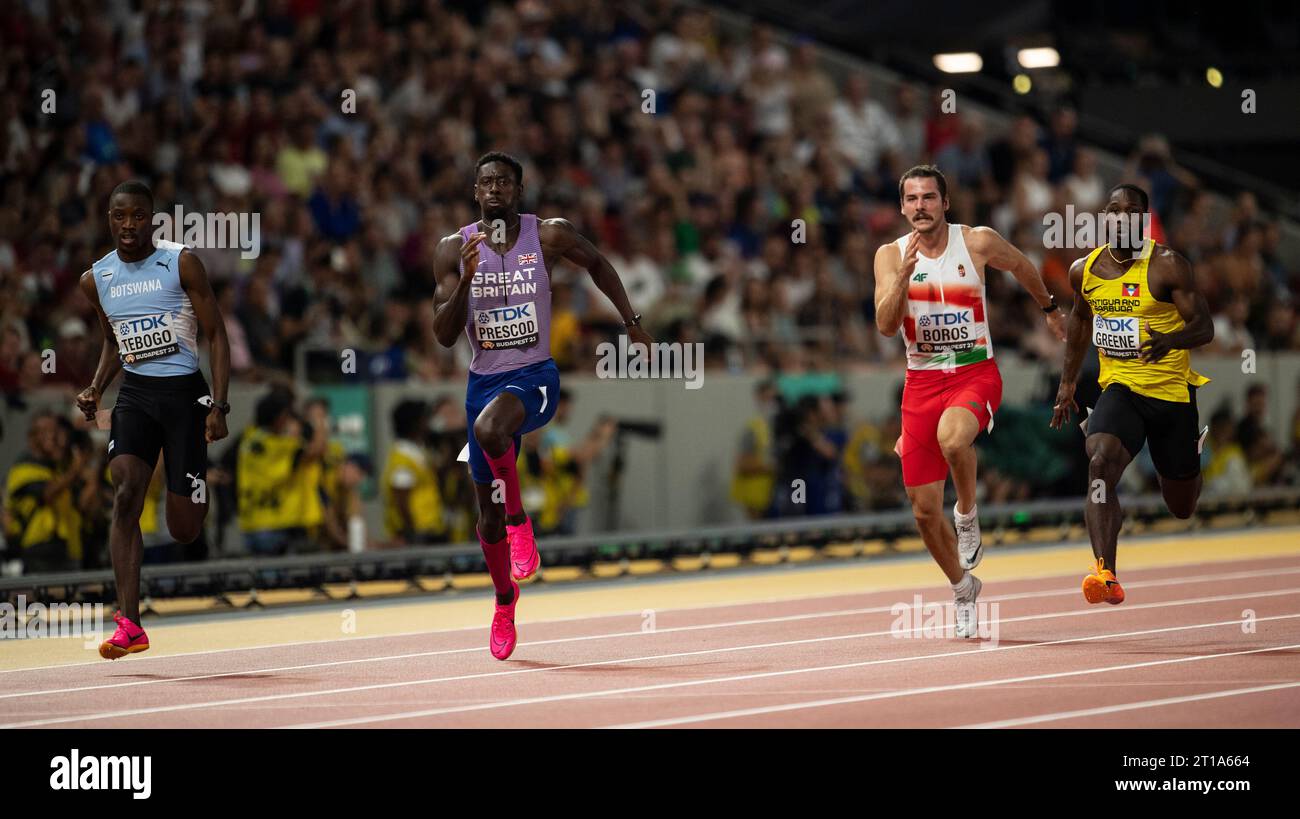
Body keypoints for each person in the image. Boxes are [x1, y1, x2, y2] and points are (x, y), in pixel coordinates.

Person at [431, 151, 651, 660]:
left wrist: (630, 321)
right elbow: (444, 337)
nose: (494, 190)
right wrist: (465, 281)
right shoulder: (452, 249)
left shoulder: (546, 234)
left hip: (534, 377)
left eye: (504, 182)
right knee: (482, 517)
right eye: (485, 183)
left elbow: (596, 261)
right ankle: (504, 600)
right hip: (481, 382)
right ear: (474, 192)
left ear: (518, 190)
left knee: (492, 431)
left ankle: (520, 518)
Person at [874, 165, 1066, 638]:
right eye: (912, 199)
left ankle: (967, 514)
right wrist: (902, 277)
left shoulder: (976, 242)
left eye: (929, 198)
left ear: (945, 202)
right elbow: (883, 324)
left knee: (954, 440)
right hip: (920, 383)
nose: (920, 206)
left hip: (974, 372)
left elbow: (1021, 264)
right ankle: (964, 589)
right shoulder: (888, 255)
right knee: (921, 511)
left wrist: (1048, 309)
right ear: (902, 207)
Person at [75, 180, 231, 659]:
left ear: (152, 219)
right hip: (136, 396)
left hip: (185, 396)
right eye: (119, 216)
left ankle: (196, 483)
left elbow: (216, 334)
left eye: (138, 216)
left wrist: (220, 405)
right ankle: (130, 623)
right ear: (109, 219)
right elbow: (113, 341)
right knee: (124, 493)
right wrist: (97, 387)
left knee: (184, 526)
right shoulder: (96, 278)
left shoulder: (180, 261)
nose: (128, 225)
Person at [1051, 184, 1213, 605]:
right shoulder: (1083, 270)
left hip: (1171, 395)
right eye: (1114, 210)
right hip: (1120, 387)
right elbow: (1081, 322)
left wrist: (1172, 339)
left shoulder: (1167, 266)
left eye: (1132, 211)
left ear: (1143, 219)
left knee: (1181, 506)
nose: (1121, 218)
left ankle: (1189, 457)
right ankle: (1105, 573)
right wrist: (1068, 384)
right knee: (1100, 461)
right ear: (1105, 217)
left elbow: (1204, 327)